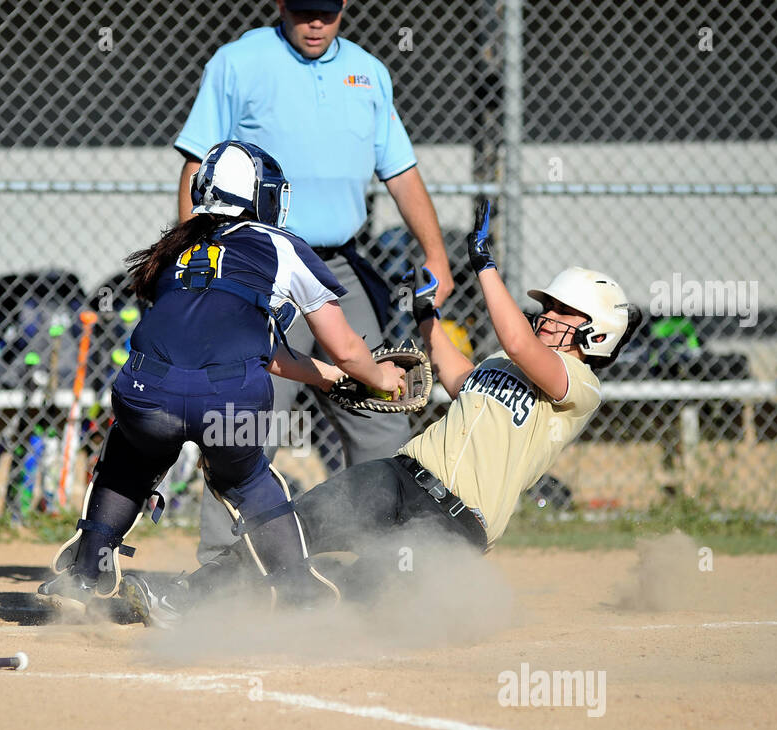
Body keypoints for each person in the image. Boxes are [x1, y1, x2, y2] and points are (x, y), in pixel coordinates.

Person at [122, 200, 644, 626]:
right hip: (401, 476)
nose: (547, 316)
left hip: (456, 524)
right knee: (293, 526)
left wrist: (484, 266)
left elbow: (516, 338)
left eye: (562, 312)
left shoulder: (578, 385)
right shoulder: (507, 361)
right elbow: (462, 377)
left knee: (360, 589)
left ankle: (260, 625)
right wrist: (427, 319)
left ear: (596, 332)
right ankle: (189, 600)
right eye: (548, 307)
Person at [36, 141, 404, 614]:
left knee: (127, 464)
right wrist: (378, 377)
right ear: (260, 198)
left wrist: (329, 377)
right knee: (250, 482)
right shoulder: (280, 246)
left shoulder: (174, 247)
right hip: (226, 401)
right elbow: (349, 348)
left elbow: (253, 351)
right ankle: (298, 592)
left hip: (148, 397)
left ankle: (85, 577)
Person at [174, 0, 454, 566]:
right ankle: (220, 574)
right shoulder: (239, 62)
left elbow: (400, 171)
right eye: (304, 10)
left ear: (345, 6)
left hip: (338, 267)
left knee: (380, 415)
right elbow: (195, 167)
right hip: (257, 265)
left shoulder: (370, 72)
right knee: (246, 420)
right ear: (282, 5)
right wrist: (192, 259)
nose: (316, 22)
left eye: (327, 10)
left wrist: (436, 256)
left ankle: (386, 563)